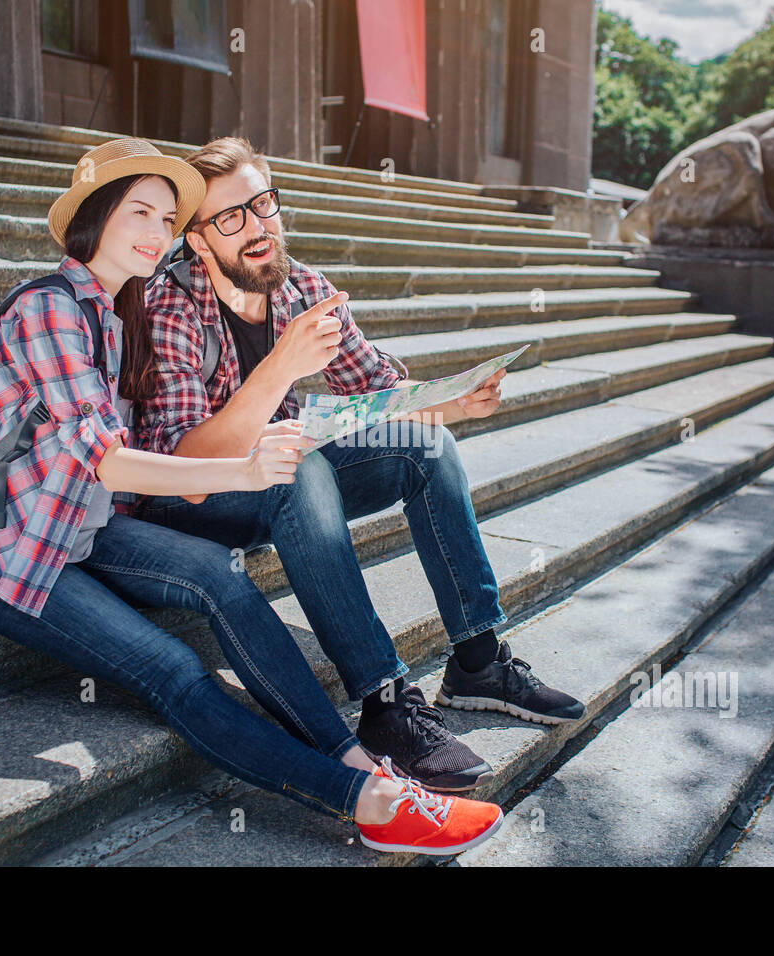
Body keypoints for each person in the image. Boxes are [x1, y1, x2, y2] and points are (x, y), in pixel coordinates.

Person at [0, 137, 504, 855]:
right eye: (139, 214)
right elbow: (113, 462)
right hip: (10, 555)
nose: (155, 233)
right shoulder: (54, 310)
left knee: (220, 576)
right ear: (93, 221)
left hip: (86, 526)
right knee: (175, 670)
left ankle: (371, 759)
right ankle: (364, 796)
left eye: (164, 218)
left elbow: (370, 389)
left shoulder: (109, 312)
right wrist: (243, 469)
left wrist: (449, 405)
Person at [134, 137, 585, 793]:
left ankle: (479, 663)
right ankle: (383, 704)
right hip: (191, 503)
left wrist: (454, 404)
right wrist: (279, 369)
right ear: (199, 241)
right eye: (231, 217)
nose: (258, 227)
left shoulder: (306, 291)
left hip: (280, 488)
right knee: (298, 459)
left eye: (263, 204)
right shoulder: (169, 304)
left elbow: (380, 397)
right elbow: (182, 456)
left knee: (425, 449)